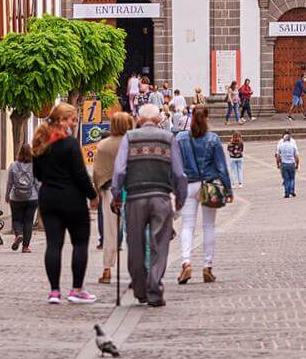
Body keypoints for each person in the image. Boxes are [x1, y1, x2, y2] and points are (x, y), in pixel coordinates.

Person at [111, 104, 189, 307]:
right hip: (161, 197)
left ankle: (139, 288)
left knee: (135, 245)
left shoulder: (130, 137)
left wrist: (117, 194)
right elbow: (179, 173)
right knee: (159, 245)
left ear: (139, 118)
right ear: (158, 120)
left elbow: (119, 170)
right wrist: (180, 197)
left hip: (135, 197)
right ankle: (154, 287)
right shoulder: (168, 138)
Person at [30, 103, 99, 304]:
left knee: (53, 244)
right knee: (79, 242)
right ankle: (77, 290)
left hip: (48, 198)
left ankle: (54, 292)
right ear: (61, 120)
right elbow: (80, 174)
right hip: (72, 199)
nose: (75, 123)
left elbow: (37, 174)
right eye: (73, 119)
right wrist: (92, 195)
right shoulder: (69, 144)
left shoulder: (41, 143)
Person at [174, 105, 233, 284]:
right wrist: (228, 189)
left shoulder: (181, 138)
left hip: (188, 185)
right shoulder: (213, 139)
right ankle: (207, 266)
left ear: (191, 117)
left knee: (187, 226)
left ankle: (186, 263)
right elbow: (221, 167)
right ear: (207, 117)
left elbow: (176, 166)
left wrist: (175, 188)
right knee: (208, 227)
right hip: (208, 186)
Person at [92, 111, 135, 284]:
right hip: (131, 190)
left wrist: (96, 191)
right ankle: (136, 271)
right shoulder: (133, 143)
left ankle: (107, 269)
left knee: (110, 232)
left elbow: (97, 172)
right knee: (134, 231)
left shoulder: (103, 145)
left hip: (109, 191)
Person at [5, 143, 40, 252]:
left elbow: (10, 182)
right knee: (28, 222)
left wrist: (7, 195)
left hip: (16, 197)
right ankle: (25, 247)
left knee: (16, 219)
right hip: (32, 197)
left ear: (19, 153)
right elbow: (37, 183)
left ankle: (19, 234)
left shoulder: (13, 165)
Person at [275, 132, 299, 198]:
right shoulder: (292, 145)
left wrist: (278, 164)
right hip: (291, 163)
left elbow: (277, 156)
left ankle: (286, 192)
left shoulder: (281, 145)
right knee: (292, 178)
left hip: (284, 163)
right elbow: (296, 156)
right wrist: (297, 164)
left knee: (286, 179)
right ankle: (292, 190)